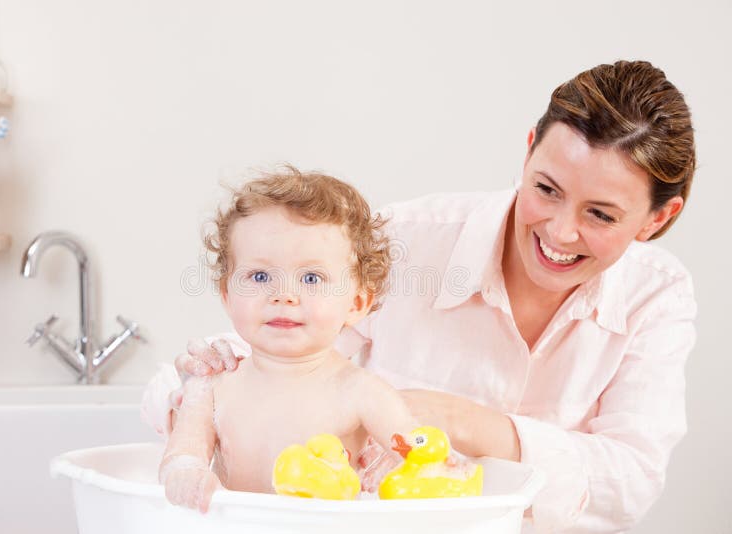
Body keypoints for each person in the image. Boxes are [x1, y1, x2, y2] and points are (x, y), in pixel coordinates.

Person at [143, 60, 697, 532]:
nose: (559, 232)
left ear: (658, 217)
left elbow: (632, 480)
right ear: (528, 153)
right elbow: (275, 340)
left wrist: (461, 423)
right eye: (545, 190)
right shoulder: (407, 242)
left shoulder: (655, 297)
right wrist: (195, 382)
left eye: (600, 214)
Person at [158, 168, 429, 513]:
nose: (284, 295)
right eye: (259, 275)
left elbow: (417, 444)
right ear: (227, 294)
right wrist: (186, 474)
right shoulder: (212, 386)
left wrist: (426, 454)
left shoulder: (362, 391)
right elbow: (180, 456)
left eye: (312, 278)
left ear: (357, 303)